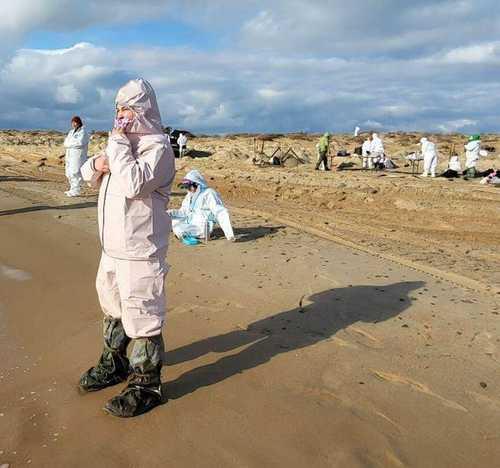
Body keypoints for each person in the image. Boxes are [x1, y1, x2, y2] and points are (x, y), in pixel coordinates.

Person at [79, 78, 175, 418]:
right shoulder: (121, 145)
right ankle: (115, 363)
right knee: (112, 304)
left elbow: (134, 182)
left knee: (142, 314)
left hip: (140, 251)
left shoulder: (158, 148)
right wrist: (96, 164)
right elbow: (86, 171)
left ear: (144, 110)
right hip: (112, 248)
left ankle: (146, 384)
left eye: (129, 109)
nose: (122, 115)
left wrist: (117, 143)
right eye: (119, 109)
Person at [168, 170, 235, 242]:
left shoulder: (209, 193)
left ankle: (191, 234)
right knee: (172, 220)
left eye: (189, 187)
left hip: (202, 228)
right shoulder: (189, 195)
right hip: (189, 222)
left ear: (196, 184)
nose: (187, 189)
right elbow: (183, 212)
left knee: (178, 229)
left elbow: (221, 212)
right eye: (186, 187)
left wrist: (229, 235)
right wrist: (169, 213)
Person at [63, 116, 89, 197]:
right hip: (70, 154)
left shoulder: (83, 132)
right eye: (72, 122)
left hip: (77, 155)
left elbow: (80, 143)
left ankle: (76, 190)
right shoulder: (71, 132)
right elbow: (65, 143)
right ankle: (72, 189)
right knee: (69, 172)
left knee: (75, 172)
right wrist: (70, 144)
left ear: (79, 123)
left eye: (75, 122)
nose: (74, 124)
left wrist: (70, 144)